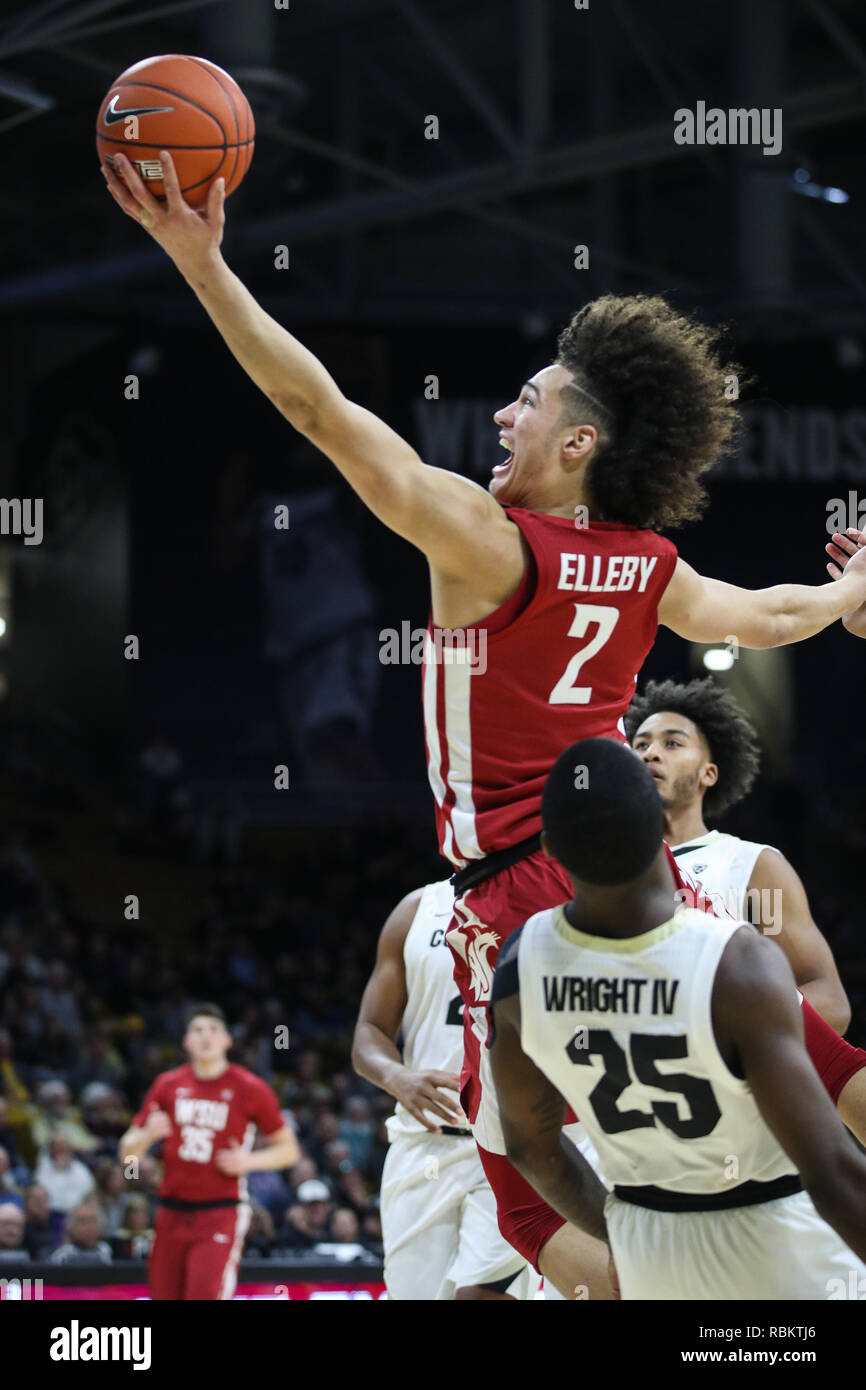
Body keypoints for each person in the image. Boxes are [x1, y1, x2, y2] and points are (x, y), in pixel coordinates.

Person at [101, 150, 866, 1295]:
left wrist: (204, 265)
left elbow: (315, 407)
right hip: (649, 880)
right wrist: (856, 595)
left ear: (577, 447)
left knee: (518, 1187)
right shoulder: (648, 564)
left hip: (519, 892)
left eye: (532, 400)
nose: (504, 413)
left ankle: (660, 1278)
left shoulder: (483, 540)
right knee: (812, 1065)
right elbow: (763, 617)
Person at [490, 737, 866, 1299]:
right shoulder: (736, 960)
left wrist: (616, 1227)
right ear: (661, 833)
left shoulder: (520, 965)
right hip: (779, 1247)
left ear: (549, 848)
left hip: (651, 1251)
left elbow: (527, 1147)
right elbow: (830, 1168)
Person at [626, 678, 849, 1029]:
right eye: (639, 745)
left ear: (708, 773)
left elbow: (831, 1003)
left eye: (672, 743)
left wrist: (723, 1022)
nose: (650, 753)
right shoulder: (600, 868)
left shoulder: (750, 863)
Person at [353, 881, 534, 1300]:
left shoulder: (542, 894)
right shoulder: (416, 909)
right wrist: (396, 1077)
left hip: (509, 1145)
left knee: (483, 1293)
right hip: (425, 1142)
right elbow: (369, 1031)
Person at [119, 1003, 299, 1300]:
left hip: (220, 1211)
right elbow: (127, 1156)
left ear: (227, 1040)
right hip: (170, 1212)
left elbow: (289, 1150)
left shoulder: (249, 1087)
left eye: (214, 1030)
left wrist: (248, 1161)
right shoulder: (167, 1085)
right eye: (198, 1030)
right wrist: (148, 1135)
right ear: (186, 1041)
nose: (206, 1036)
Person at [34, 1134, 95, 1214]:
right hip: (54, 1215)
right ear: (51, 1149)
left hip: (78, 1214)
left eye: (64, 1145)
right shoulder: (42, 1171)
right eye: (58, 1145)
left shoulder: (80, 1169)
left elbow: (89, 1192)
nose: (62, 1148)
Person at [48, 1202, 112, 1266]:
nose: (90, 1227)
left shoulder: (105, 1250)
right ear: (71, 1228)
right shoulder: (63, 1256)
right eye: (84, 1222)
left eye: (93, 1221)